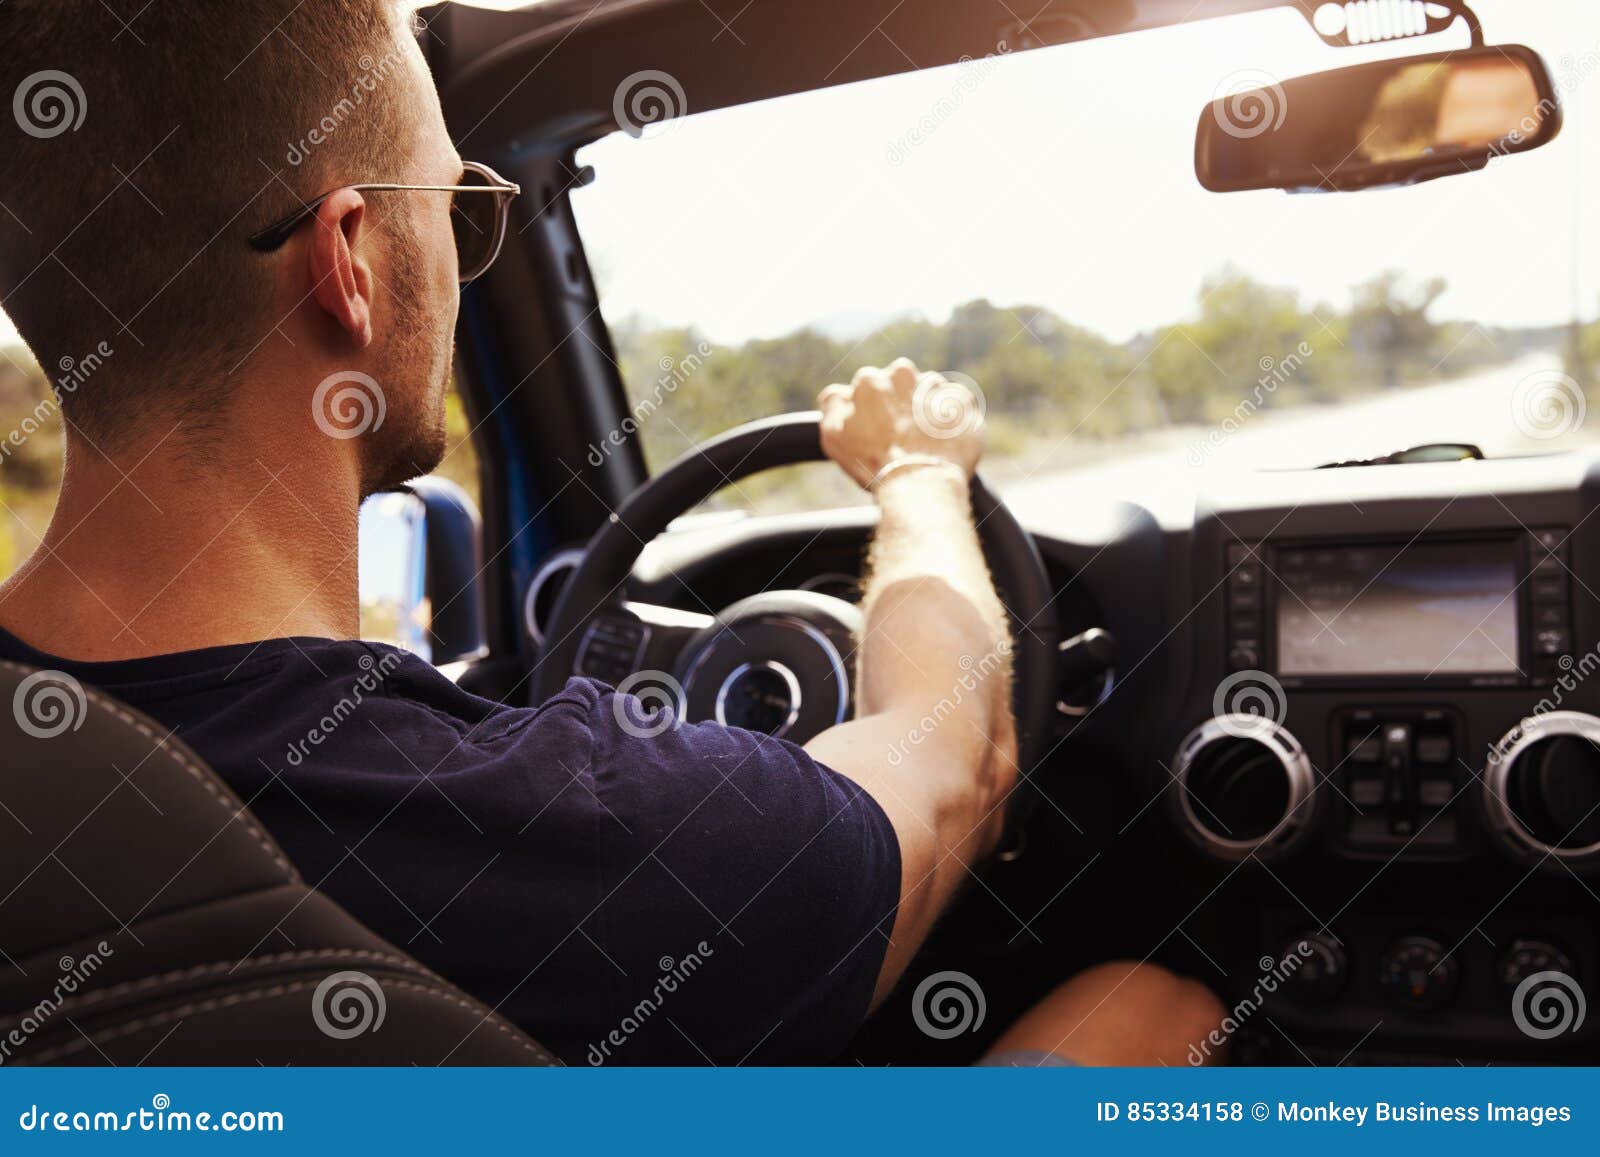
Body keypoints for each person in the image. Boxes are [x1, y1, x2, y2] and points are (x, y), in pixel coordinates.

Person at [0, 0, 1223, 1064]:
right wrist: (914, 473)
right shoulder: (584, 841)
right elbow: (958, 763)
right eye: (458, 202)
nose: (464, 247)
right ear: (354, 262)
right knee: (1145, 1002)